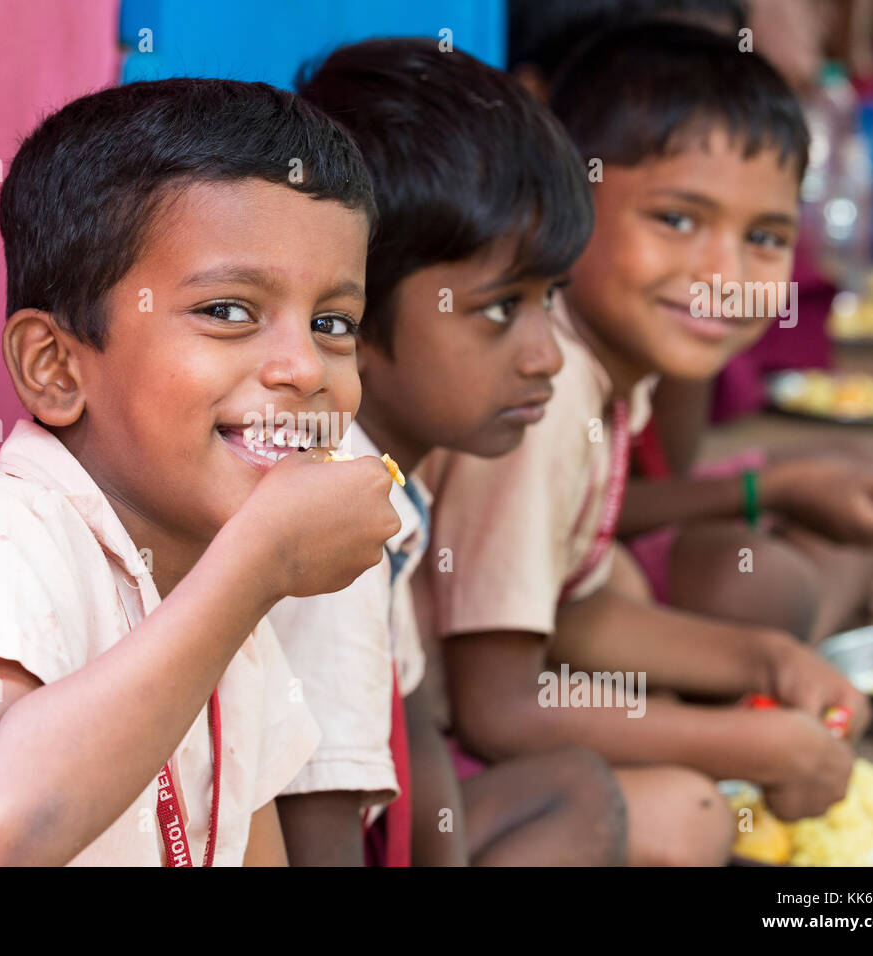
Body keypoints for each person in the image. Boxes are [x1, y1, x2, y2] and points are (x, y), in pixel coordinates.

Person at [0, 78, 403, 866]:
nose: (305, 367)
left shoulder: (224, 620)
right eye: (229, 311)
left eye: (331, 323)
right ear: (56, 368)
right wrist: (259, 566)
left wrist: (248, 580)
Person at [419, 23, 873, 866]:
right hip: (422, 771)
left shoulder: (607, 371)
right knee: (690, 814)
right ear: (572, 198)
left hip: (486, 705)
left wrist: (768, 661)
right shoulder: (542, 394)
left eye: (765, 238)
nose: (724, 272)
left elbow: (579, 606)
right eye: (676, 218)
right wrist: (748, 747)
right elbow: (499, 705)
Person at [270, 38, 626, 867]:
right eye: (501, 309)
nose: (547, 354)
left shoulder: (383, 482)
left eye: (551, 298)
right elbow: (311, 827)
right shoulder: (326, 531)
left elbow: (416, 719)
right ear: (348, 308)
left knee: (577, 791)